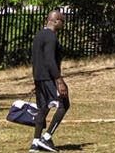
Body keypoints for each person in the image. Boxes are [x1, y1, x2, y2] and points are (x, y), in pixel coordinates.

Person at [30, 8, 69, 150]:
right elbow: (50, 60)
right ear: (56, 21)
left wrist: (36, 81)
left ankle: (35, 142)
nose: (63, 24)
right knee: (64, 104)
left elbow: (35, 60)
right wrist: (59, 81)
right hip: (49, 78)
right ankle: (46, 138)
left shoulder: (39, 35)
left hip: (39, 77)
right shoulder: (51, 37)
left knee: (43, 108)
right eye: (62, 21)